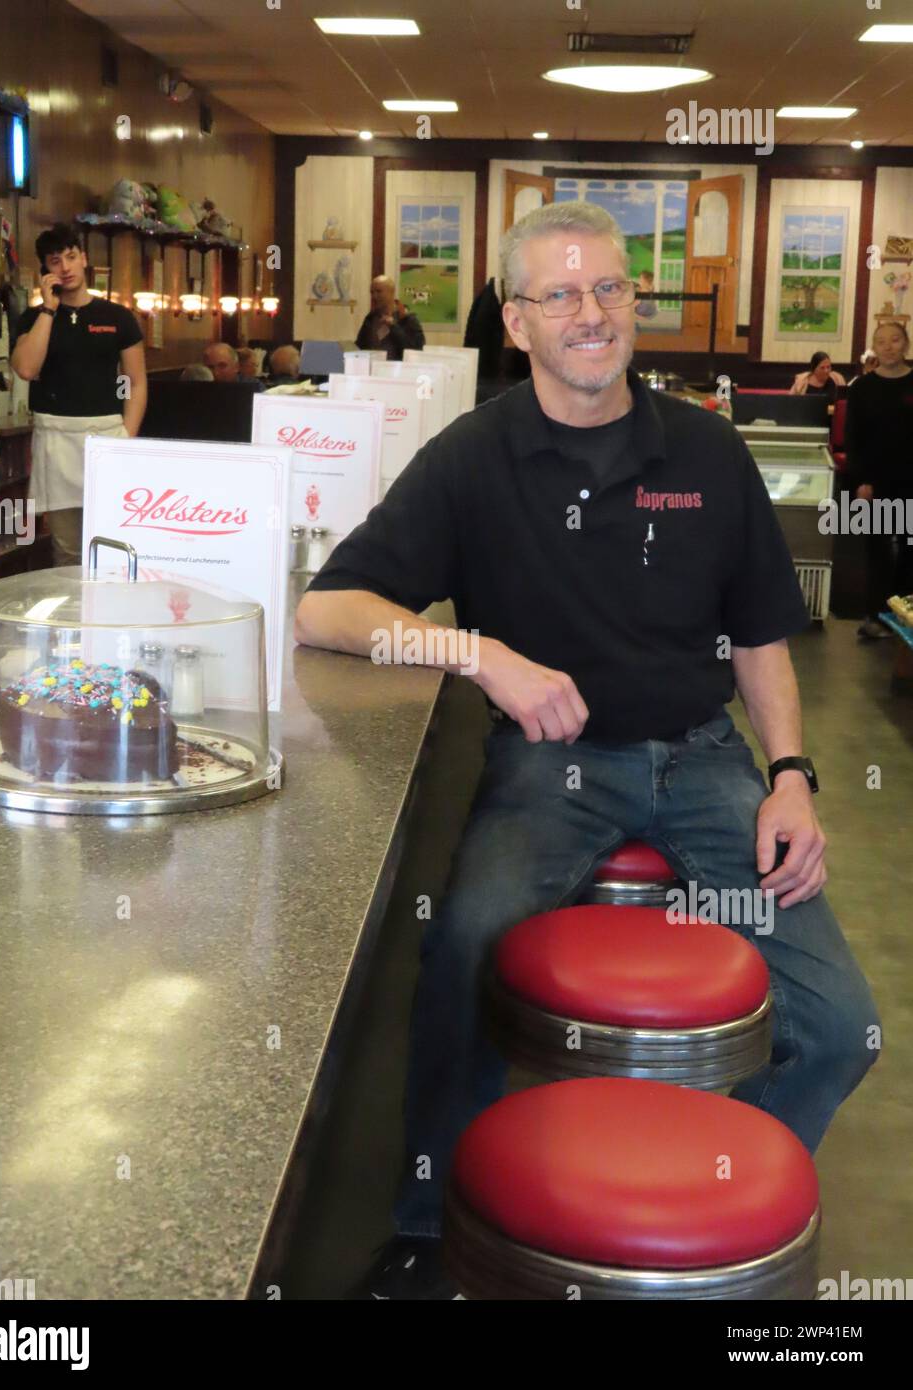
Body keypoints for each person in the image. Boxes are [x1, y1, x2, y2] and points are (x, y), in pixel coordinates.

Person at [295, 200, 880, 1299]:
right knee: (462, 947)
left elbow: (760, 637)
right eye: (559, 293)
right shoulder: (473, 456)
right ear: (515, 321)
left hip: (706, 764)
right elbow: (328, 611)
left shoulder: (706, 450)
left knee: (847, 1027)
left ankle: (699, 1177)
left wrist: (792, 776)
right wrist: (481, 655)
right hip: (547, 772)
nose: (591, 312)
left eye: (610, 288)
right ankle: (429, 1228)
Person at [11, 222, 146, 566]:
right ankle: (71, 619)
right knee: (68, 549)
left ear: (84, 258)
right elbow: (26, 369)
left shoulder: (117, 317)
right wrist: (47, 309)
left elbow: (136, 381)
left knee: (115, 541)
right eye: (55, 261)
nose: (65, 268)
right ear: (45, 270)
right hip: (56, 440)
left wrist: (126, 435)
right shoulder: (33, 317)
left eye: (71, 257)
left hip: (107, 436)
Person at [845, 320, 913, 640]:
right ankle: (875, 615)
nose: (889, 346)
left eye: (895, 340)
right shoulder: (861, 388)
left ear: (906, 344)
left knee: (909, 550)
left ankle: (905, 617)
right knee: (879, 550)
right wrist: (861, 480)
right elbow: (853, 439)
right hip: (874, 483)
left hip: (910, 481)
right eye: (881, 341)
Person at [355, 275, 425, 360]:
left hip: (400, 371)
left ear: (391, 292)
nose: (374, 296)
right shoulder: (371, 318)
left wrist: (394, 327)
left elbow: (416, 351)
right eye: (372, 292)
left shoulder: (408, 319)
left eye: (378, 291)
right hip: (374, 370)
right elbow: (359, 347)